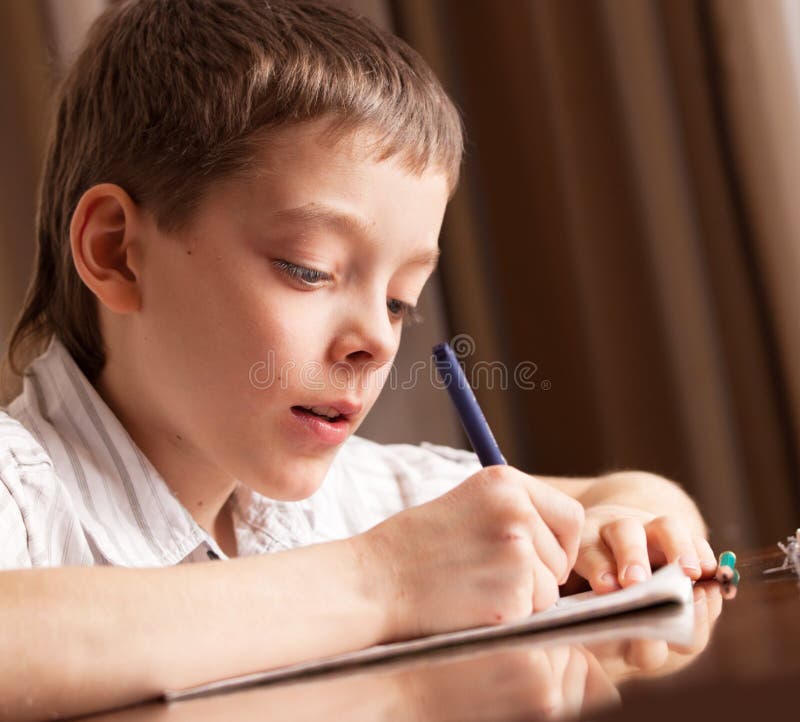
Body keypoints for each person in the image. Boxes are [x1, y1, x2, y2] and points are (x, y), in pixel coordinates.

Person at [0, 0, 717, 718]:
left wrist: (620, 525)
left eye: (401, 299)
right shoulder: (22, 488)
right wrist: (386, 580)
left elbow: (635, 494)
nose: (376, 339)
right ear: (115, 251)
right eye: (309, 269)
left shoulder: (353, 495)